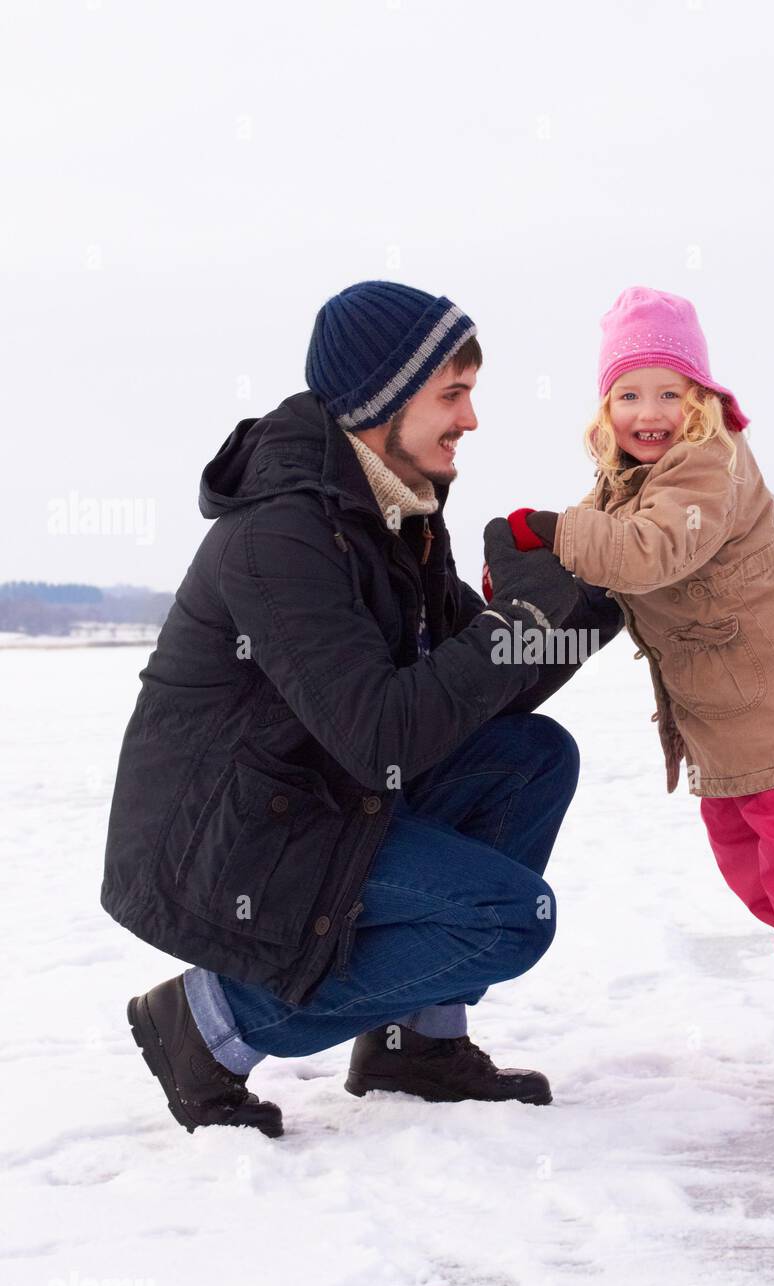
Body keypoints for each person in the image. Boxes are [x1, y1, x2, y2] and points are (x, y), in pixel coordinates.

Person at [103, 279, 623, 1138]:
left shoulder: (391, 515)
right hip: (228, 838)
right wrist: (513, 622)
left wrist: (586, 605)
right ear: (383, 402)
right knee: (508, 918)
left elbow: (485, 687)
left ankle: (413, 1044)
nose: (471, 419)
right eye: (452, 395)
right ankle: (208, 1021)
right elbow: (384, 734)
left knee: (530, 756)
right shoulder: (281, 535)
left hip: (312, 799)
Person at [505, 285, 774, 1120]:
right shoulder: (625, 485)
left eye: (670, 392)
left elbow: (650, 552)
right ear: (605, 406)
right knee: (759, 872)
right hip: (741, 735)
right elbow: (597, 547)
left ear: (701, 401)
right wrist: (517, 570)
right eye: (629, 394)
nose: (649, 412)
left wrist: (548, 530)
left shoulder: (709, 464)